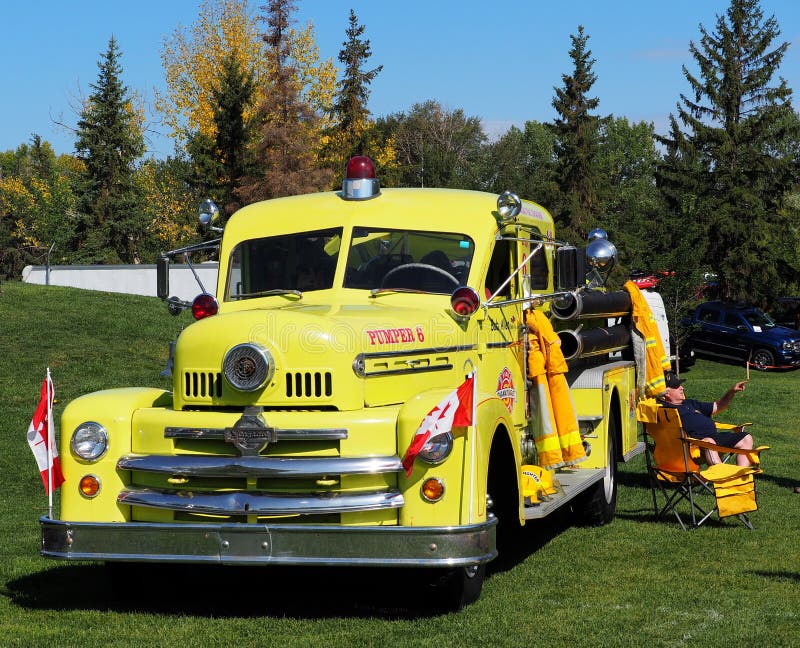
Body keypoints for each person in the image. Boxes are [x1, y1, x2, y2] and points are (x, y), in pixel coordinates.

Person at [659, 371, 755, 467]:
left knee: (746, 438)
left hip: (714, 438)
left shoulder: (689, 403)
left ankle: (739, 477)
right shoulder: (666, 410)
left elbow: (718, 406)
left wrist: (732, 391)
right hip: (693, 445)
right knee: (709, 442)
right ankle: (722, 478)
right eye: (677, 386)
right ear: (666, 393)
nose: (682, 388)